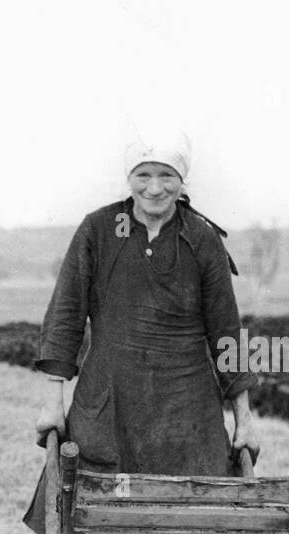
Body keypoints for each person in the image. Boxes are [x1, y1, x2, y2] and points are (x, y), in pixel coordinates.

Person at [34, 132, 259, 475]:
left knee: (195, 511)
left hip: (188, 412)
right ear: (129, 179)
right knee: (93, 507)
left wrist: (245, 420)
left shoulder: (202, 238)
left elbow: (226, 333)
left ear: (182, 180)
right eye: (143, 175)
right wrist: (53, 403)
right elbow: (65, 317)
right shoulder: (98, 230)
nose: (154, 188)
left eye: (166, 175)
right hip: (109, 403)